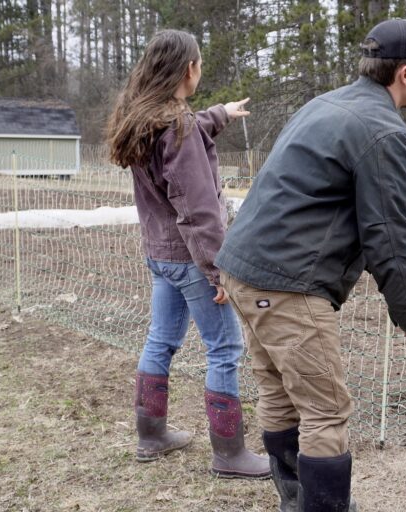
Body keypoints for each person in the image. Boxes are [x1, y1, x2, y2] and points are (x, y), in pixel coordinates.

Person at [215, 18, 406, 511]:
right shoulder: (383, 131)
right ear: (405, 72)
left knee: (279, 391)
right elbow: (390, 239)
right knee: (326, 408)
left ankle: (297, 501)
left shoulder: (325, 103)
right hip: (286, 282)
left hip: (243, 268)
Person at [105, 29, 269, 479]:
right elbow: (198, 210)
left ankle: (151, 434)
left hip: (159, 255)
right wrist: (218, 272)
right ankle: (230, 453)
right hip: (191, 260)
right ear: (189, 69)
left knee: (160, 340)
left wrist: (223, 113)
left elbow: (190, 133)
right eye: (198, 64)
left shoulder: (143, 118)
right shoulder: (178, 128)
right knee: (225, 348)